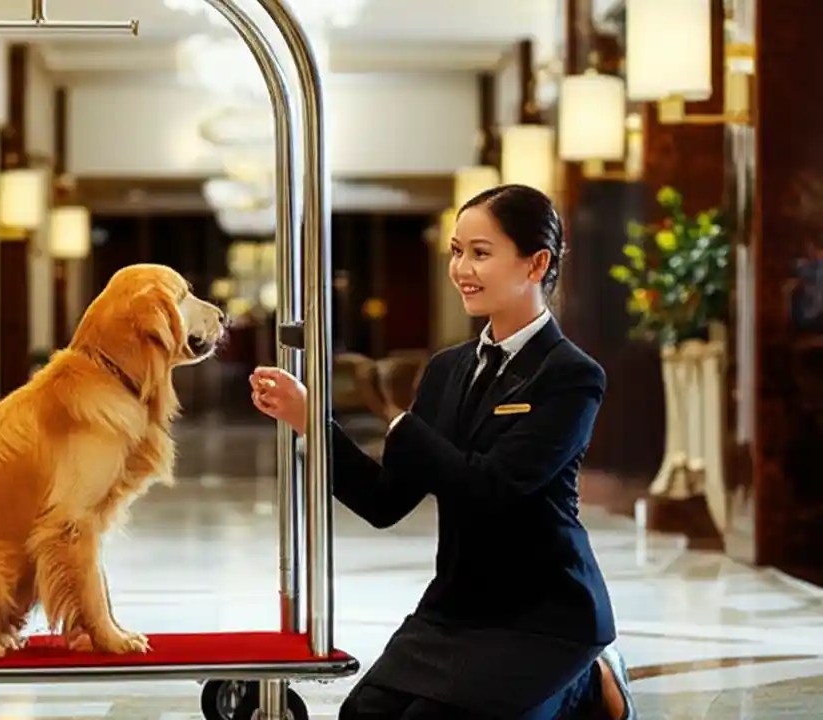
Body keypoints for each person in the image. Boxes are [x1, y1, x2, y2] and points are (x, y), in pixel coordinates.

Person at [250, 184, 635, 720]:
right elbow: (385, 502)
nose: (462, 269)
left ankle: (586, 684)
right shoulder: (447, 369)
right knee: (362, 715)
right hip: (457, 606)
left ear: (535, 263)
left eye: (481, 253)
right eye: (457, 251)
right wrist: (311, 421)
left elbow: (493, 489)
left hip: (545, 612)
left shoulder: (571, 376)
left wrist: (404, 427)